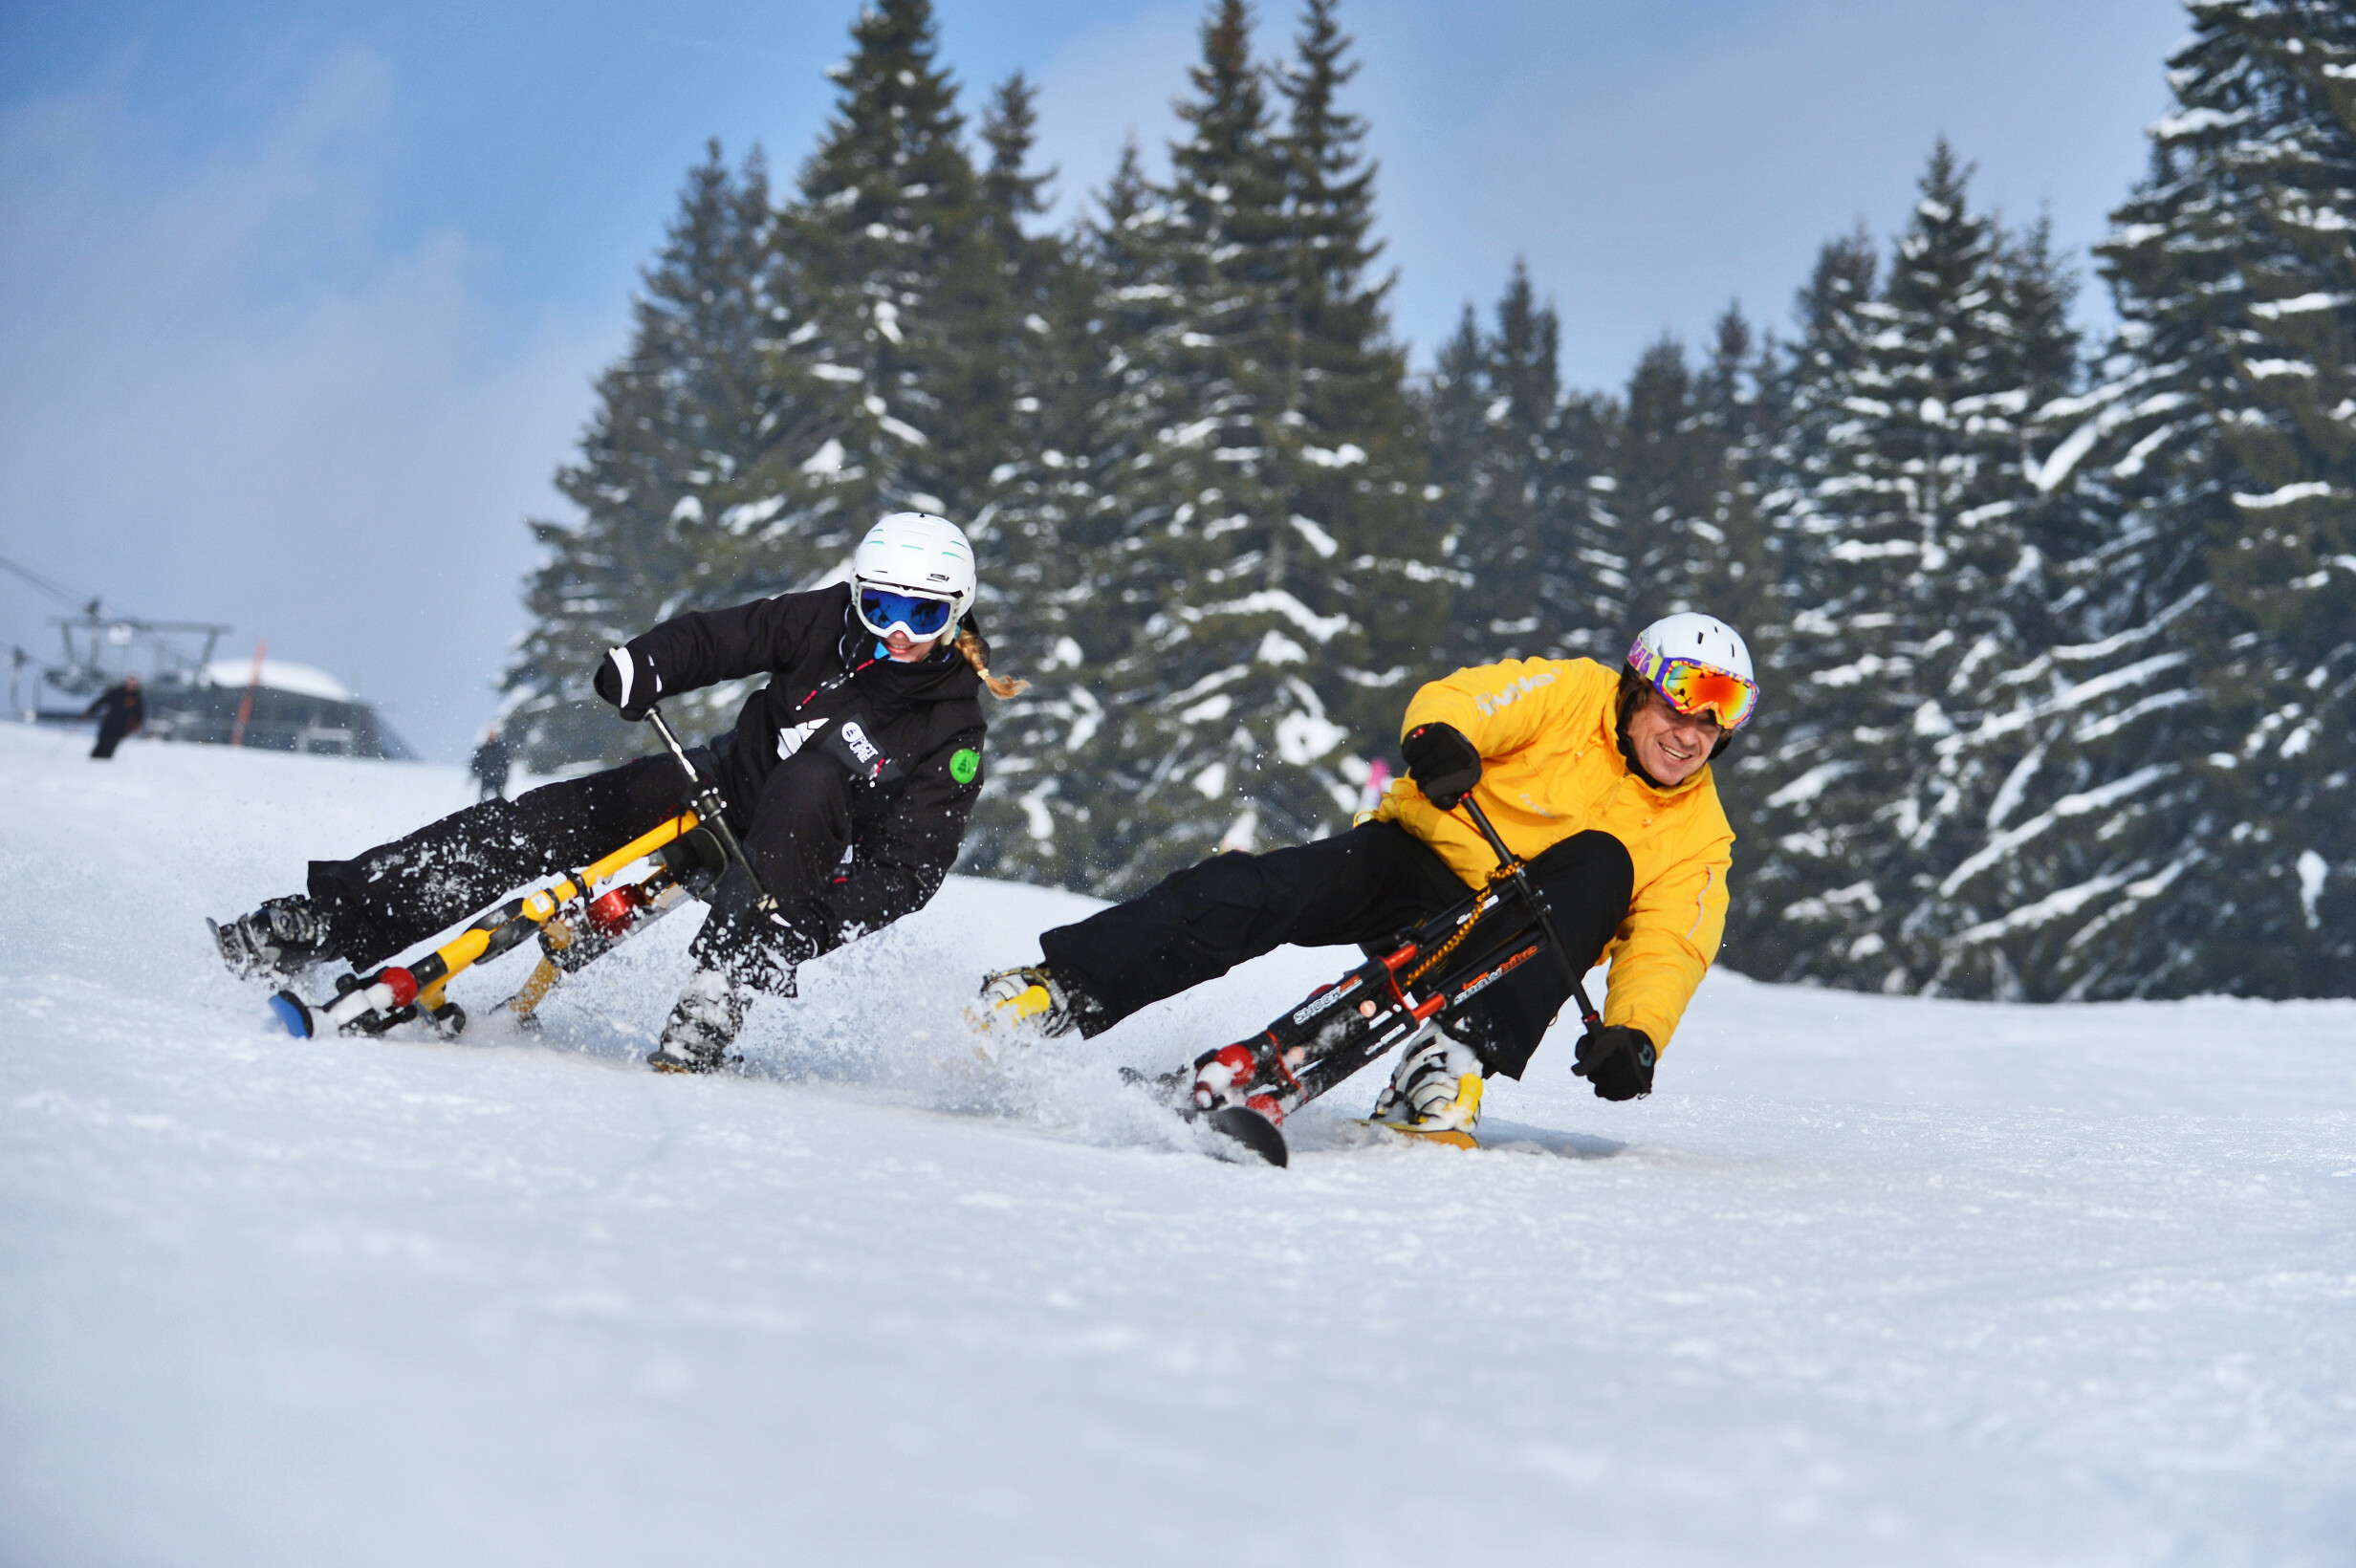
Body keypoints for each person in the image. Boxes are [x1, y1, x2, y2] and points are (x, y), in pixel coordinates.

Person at [213, 512, 1025, 1073]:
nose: (896, 636)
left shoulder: (948, 730)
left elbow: (910, 869)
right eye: (879, 609)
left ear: (954, 619)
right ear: (857, 597)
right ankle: (334, 917)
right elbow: (720, 638)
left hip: (786, 866)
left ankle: (719, 991)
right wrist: (647, 663)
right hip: (716, 783)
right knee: (537, 823)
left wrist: (807, 931)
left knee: (815, 778)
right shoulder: (821, 623)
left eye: (920, 617)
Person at [977, 612, 1757, 1143]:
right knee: (1255, 890)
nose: (1687, 736)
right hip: (1413, 862)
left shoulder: (1699, 836)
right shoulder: (1573, 696)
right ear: (1633, 689)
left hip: (1506, 945)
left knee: (1602, 862)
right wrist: (1442, 738)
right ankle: (1061, 988)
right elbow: (1475, 698)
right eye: (1674, 710)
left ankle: (1442, 1067)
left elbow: (1668, 947)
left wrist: (1634, 1035)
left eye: (1709, 724)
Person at [84, 674, 144, 760]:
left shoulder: (137, 699)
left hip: (122, 726)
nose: (130, 686)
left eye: (133, 684)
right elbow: (101, 701)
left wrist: (137, 724)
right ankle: (93, 760)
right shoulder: (116, 693)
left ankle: (105, 762)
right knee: (102, 741)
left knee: (111, 744)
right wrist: (91, 711)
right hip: (109, 722)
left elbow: (139, 714)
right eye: (129, 683)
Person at [469, 725, 513, 800]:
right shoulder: (483, 748)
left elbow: (506, 763)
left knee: (500, 799)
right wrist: (475, 772)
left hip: (499, 778)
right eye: (490, 733)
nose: (491, 735)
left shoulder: (501, 749)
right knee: (482, 799)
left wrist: (505, 775)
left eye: (492, 733)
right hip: (486, 777)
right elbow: (477, 762)